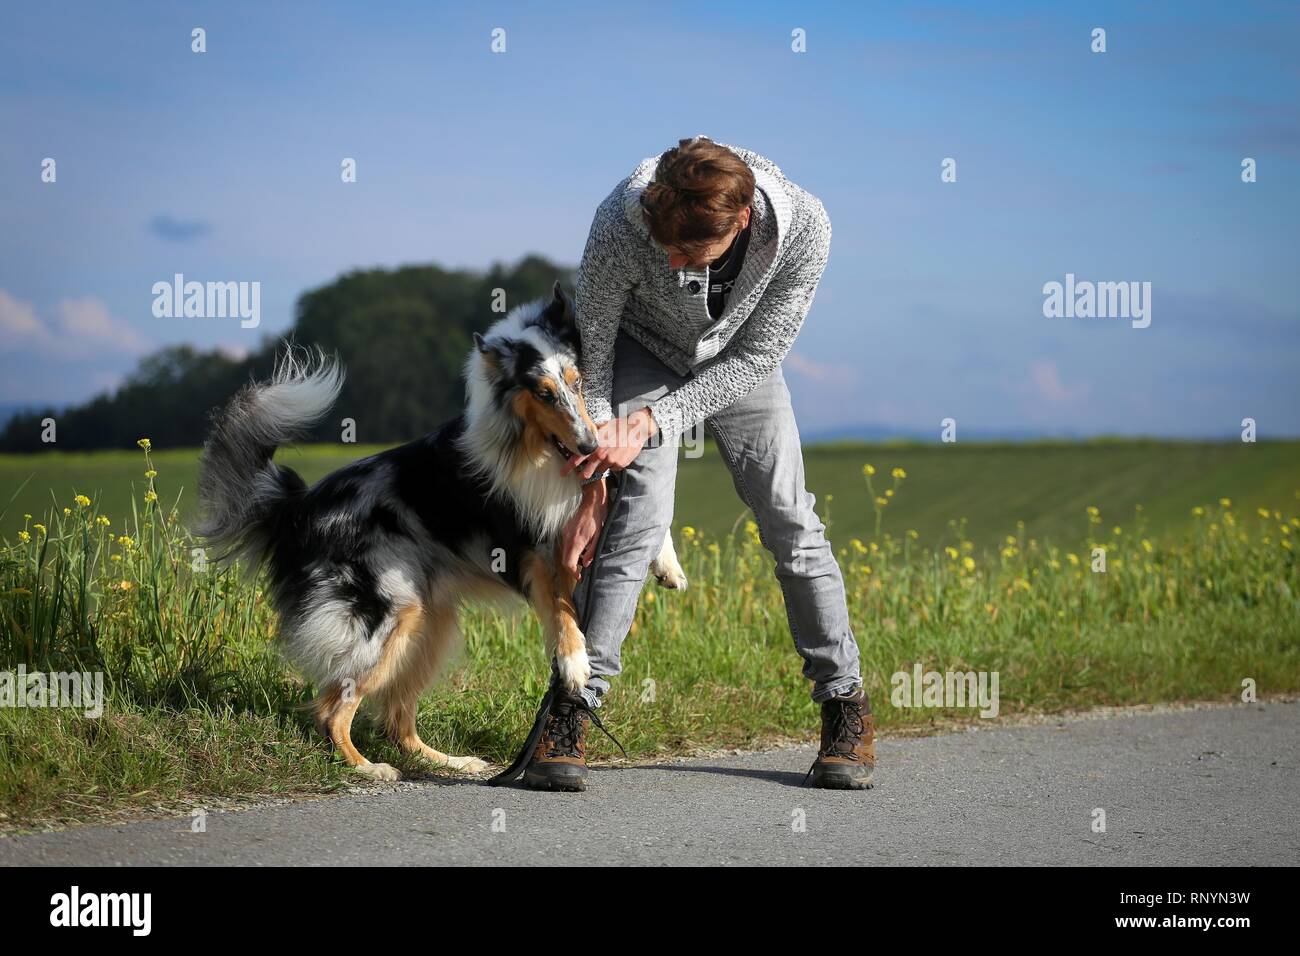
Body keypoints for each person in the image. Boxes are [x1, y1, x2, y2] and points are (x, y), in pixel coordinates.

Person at [523, 136, 873, 792]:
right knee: (636, 521)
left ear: (741, 221)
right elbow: (595, 344)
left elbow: (758, 355)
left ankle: (845, 705)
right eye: (666, 249)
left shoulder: (807, 229)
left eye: (689, 254)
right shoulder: (620, 219)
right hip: (641, 349)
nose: (674, 262)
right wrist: (600, 467)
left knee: (790, 519)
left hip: (740, 362)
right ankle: (572, 706)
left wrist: (656, 422)